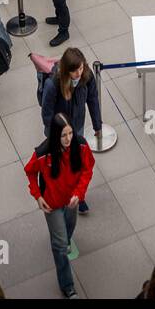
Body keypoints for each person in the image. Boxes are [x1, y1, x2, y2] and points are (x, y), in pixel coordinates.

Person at [24, 113, 95, 298]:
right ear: (56, 135)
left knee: (69, 228)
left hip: (71, 200)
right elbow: (30, 172)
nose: (68, 138)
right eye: (64, 135)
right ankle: (67, 285)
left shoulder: (80, 145)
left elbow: (88, 169)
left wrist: (79, 194)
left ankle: (64, 239)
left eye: (70, 133)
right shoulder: (42, 153)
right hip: (52, 204)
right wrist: (38, 196)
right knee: (60, 246)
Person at [39, 48, 102, 213]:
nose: (79, 73)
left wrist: (97, 125)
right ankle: (55, 194)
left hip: (77, 127)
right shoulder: (53, 85)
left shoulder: (86, 76)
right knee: (58, 166)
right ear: (66, 70)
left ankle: (78, 196)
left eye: (81, 68)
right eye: (74, 71)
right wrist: (57, 135)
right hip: (57, 132)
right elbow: (46, 114)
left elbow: (93, 99)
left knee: (76, 163)